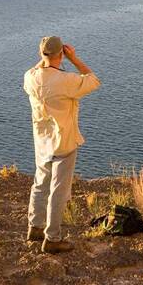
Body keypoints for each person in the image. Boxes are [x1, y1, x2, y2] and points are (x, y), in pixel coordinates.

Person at [22, 36, 101, 254]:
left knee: (40, 184)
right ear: (61, 54)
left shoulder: (30, 78)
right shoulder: (66, 80)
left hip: (42, 141)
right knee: (58, 190)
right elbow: (93, 80)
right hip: (63, 141)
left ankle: (34, 227)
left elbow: (36, 69)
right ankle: (52, 238)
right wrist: (74, 59)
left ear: (41, 54)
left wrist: (44, 61)